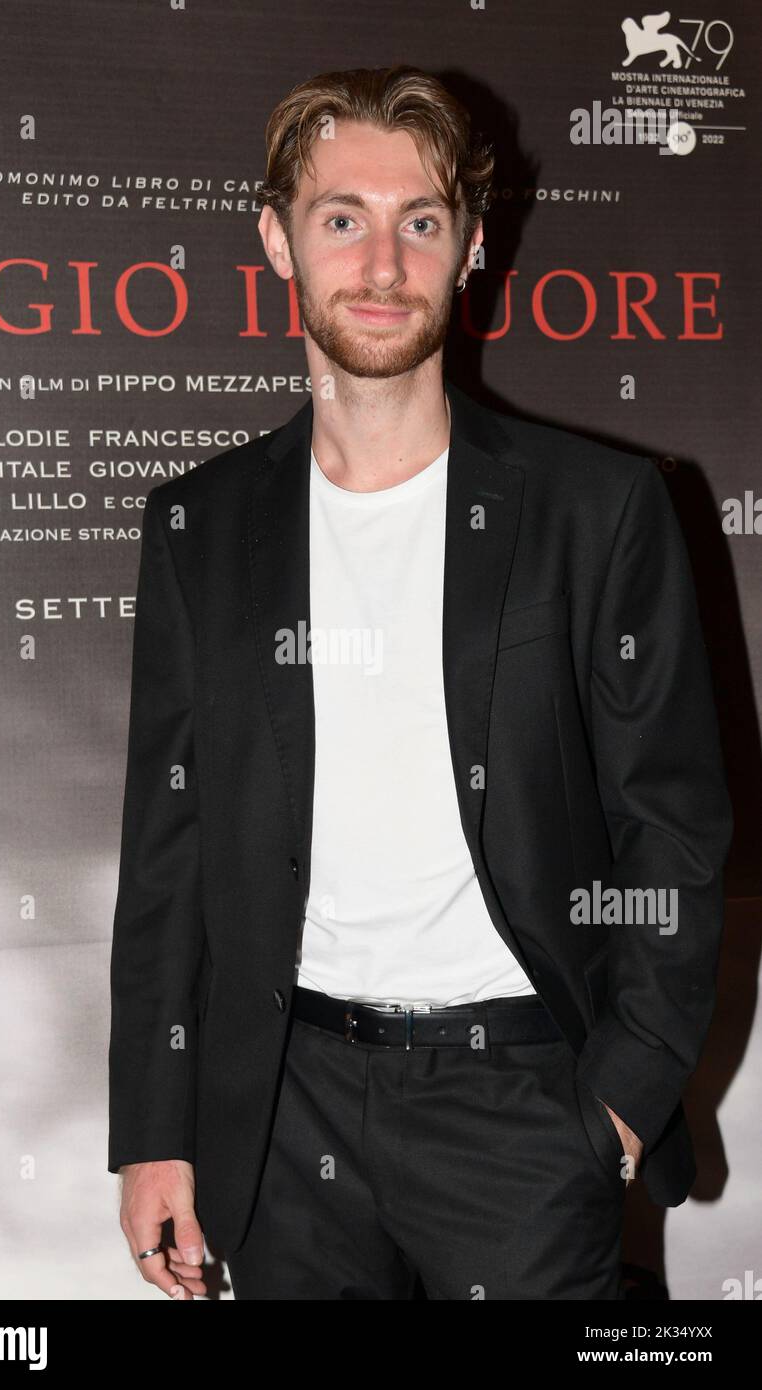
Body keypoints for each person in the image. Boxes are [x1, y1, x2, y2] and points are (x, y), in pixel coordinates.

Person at [108, 65, 732, 1300]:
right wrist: (152, 1130)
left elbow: (672, 828)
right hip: (284, 1113)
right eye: (341, 218)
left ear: (473, 246)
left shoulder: (595, 511)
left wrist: (617, 1095)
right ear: (277, 240)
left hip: (519, 1105)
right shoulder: (200, 525)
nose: (382, 264)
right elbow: (167, 852)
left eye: (421, 222)